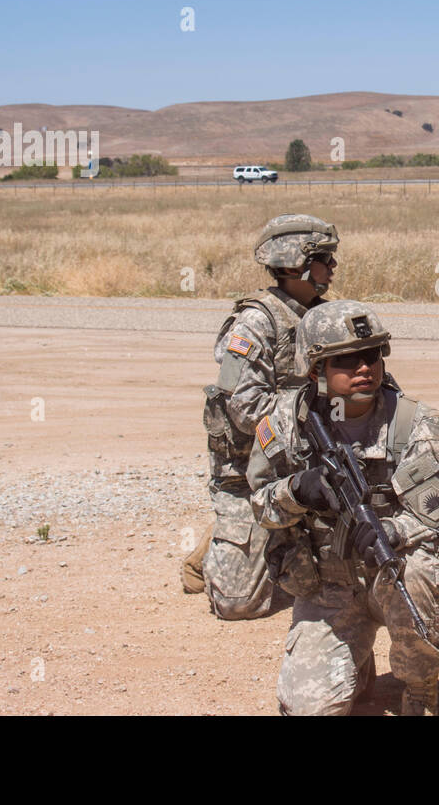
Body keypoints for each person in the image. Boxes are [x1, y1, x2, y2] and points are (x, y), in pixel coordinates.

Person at [245, 300, 439, 716]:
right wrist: (297, 490)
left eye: (372, 355)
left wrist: (393, 533)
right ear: (314, 370)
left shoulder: (415, 423)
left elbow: (436, 513)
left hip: (392, 572)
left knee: (416, 574)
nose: (364, 368)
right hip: (329, 589)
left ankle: (419, 683)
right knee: (308, 709)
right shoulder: (283, 424)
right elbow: (259, 506)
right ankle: (355, 660)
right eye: (345, 359)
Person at [180, 214, 340, 621]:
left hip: (307, 463)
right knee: (238, 605)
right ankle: (217, 543)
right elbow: (245, 407)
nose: (333, 267)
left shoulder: (326, 317)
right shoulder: (255, 322)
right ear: (295, 265)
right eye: (325, 258)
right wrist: (302, 422)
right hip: (250, 473)